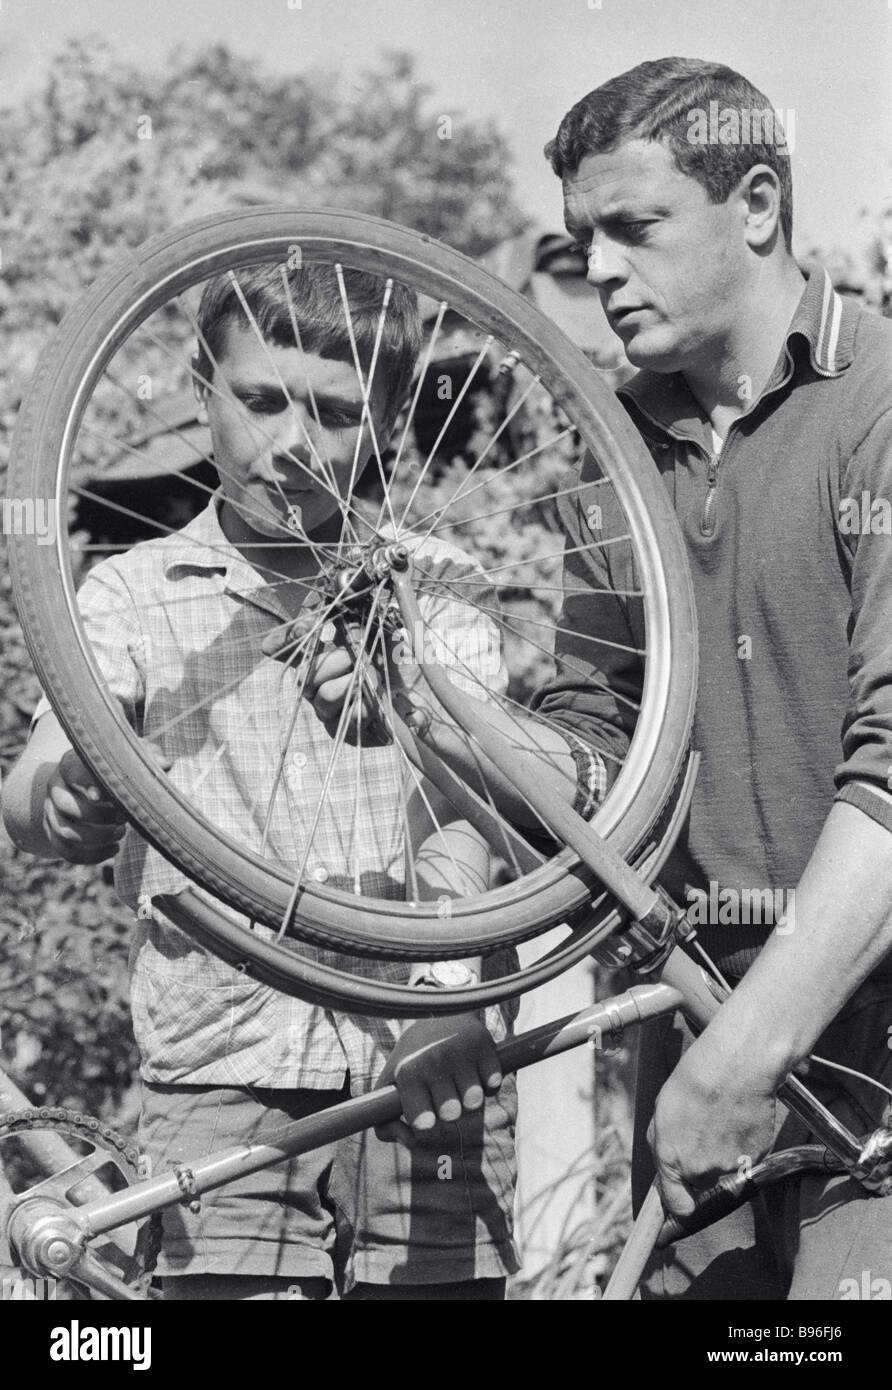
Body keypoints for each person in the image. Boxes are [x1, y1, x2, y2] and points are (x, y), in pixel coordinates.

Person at [2, 260, 519, 1300]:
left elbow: (482, 822)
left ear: (384, 422)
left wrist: (444, 988)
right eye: (260, 399)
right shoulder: (132, 596)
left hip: (425, 1062)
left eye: (334, 412)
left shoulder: (442, 601)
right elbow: (28, 795)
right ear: (202, 389)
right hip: (217, 1069)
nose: (291, 442)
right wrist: (62, 800)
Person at [529, 56, 892, 1299]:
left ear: (754, 203)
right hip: (696, 1059)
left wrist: (746, 1054)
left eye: (634, 228)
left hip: (856, 1070)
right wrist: (442, 724)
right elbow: (592, 740)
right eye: (583, 240)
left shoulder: (882, 404)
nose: (600, 271)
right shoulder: (611, 452)